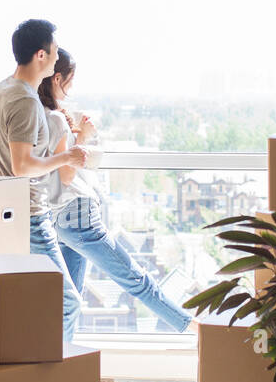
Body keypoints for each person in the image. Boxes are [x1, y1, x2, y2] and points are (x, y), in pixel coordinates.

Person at [38, 48, 195, 334]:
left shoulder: (43, 115)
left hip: (61, 219)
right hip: (78, 218)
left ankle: (60, 368)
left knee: (68, 304)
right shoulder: (56, 119)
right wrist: (83, 138)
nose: (71, 90)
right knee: (135, 279)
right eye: (70, 82)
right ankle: (196, 329)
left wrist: (78, 138)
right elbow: (67, 172)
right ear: (57, 78)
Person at [0, 20, 89, 342]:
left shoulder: (3, 89)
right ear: (41, 55)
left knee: (22, 303)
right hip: (27, 214)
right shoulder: (25, 101)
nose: (58, 59)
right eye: (55, 53)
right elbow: (21, 165)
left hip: (7, 211)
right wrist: (67, 158)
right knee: (67, 303)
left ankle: (32, 377)